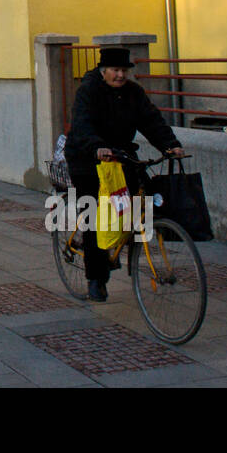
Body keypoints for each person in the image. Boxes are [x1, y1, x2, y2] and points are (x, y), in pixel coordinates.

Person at [65, 46, 183, 302]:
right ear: (103, 70)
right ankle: (96, 279)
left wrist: (170, 145)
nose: (120, 75)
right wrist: (97, 147)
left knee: (141, 200)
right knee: (96, 215)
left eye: (124, 71)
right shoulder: (89, 91)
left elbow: (151, 121)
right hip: (87, 157)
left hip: (121, 155)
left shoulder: (133, 93)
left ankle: (121, 242)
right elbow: (82, 124)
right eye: (115, 70)